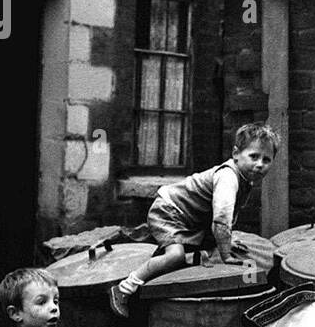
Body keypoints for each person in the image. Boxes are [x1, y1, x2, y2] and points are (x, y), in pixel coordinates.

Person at [110, 122, 280, 316]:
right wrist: (227, 256)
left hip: (190, 217)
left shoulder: (244, 179)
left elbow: (229, 215)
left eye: (266, 159)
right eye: (254, 156)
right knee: (175, 256)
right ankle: (124, 288)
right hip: (169, 211)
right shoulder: (228, 178)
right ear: (235, 154)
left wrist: (228, 240)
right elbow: (221, 221)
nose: (259, 164)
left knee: (207, 246)